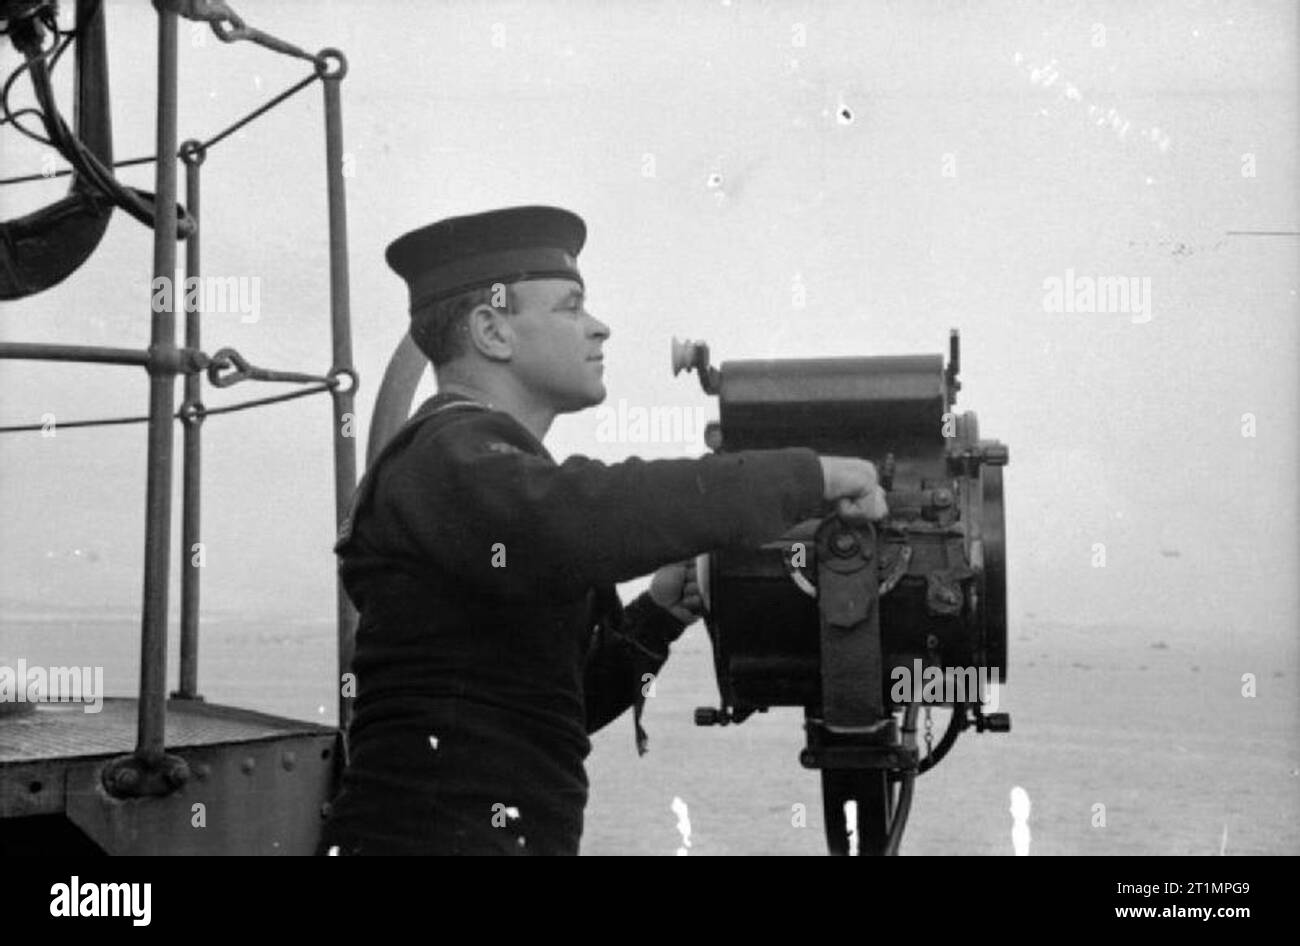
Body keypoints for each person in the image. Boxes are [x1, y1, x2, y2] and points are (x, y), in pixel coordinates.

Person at [319, 205, 887, 855]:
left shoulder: (485, 474)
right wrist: (809, 477)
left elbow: (550, 712)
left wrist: (657, 616)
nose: (599, 328)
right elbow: (586, 512)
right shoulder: (446, 458)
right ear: (491, 331)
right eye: (570, 307)